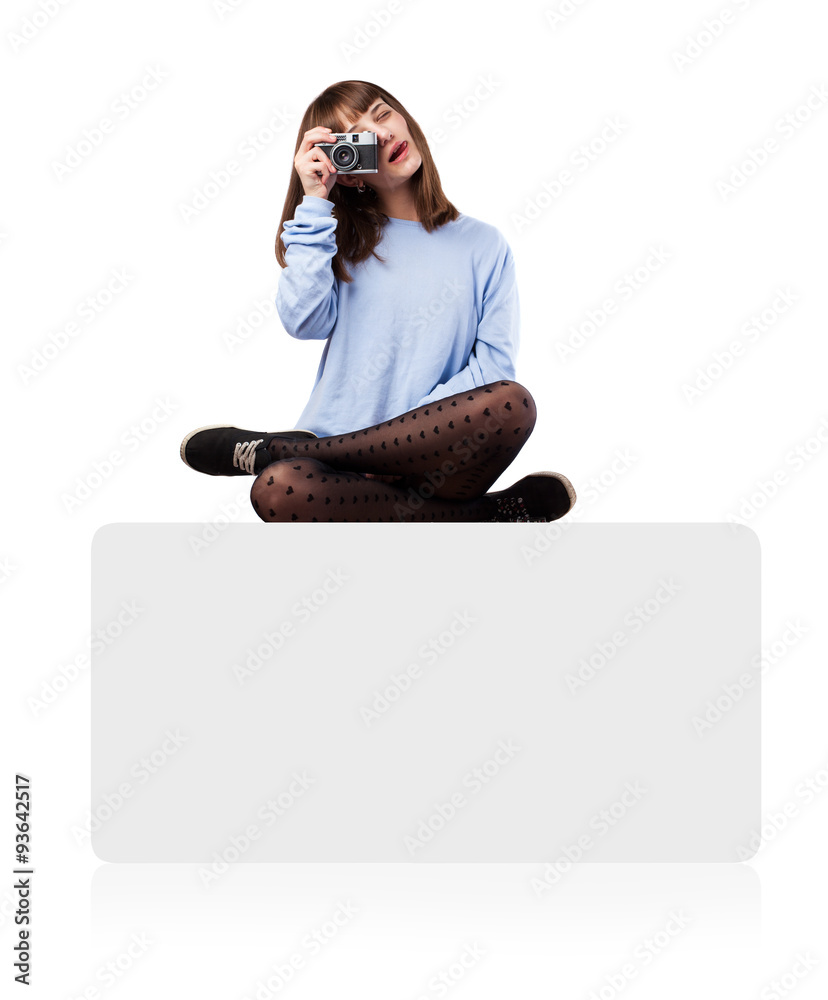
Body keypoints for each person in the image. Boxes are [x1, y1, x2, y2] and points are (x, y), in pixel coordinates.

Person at [180, 80, 575, 523]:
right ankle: (490, 513)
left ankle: (277, 447)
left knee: (510, 404)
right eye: (360, 135)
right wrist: (313, 202)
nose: (382, 132)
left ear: (404, 118)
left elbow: (494, 369)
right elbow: (302, 322)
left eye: (383, 113)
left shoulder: (483, 244)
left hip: (438, 457)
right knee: (279, 489)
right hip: (336, 471)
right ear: (346, 167)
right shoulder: (338, 240)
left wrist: (397, 441)